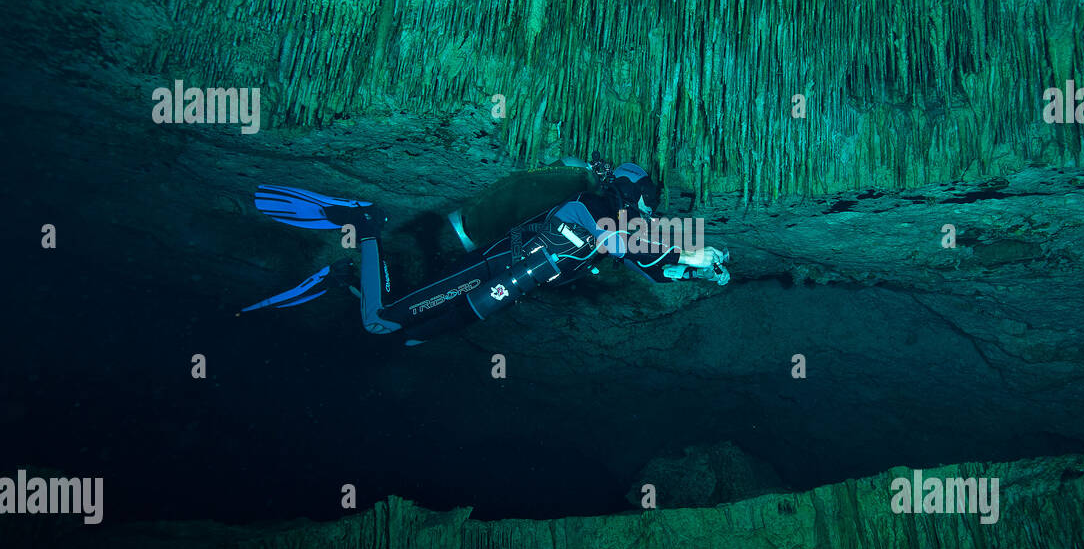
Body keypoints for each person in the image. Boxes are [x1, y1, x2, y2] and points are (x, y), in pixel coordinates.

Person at [242, 162, 730, 346]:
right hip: (491, 270)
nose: (646, 214)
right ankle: (363, 224)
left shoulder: (612, 223)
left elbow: (649, 268)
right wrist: (692, 256)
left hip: (499, 291)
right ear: (627, 195)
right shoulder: (589, 208)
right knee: (382, 323)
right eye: (644, 204)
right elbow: (630, 246)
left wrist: (695, 273)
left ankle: (352, 277)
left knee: (411, 332)